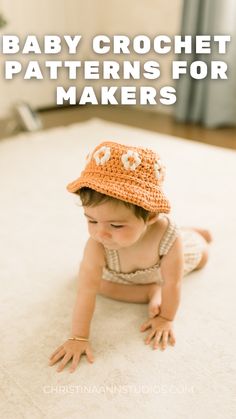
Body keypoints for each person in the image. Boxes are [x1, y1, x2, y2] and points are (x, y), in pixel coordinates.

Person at [49, 141, 212, 373]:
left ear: (151, 216)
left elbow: (173, 283)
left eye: (116, 224)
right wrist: (78, 337)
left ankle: (194, 232)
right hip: (121, 274)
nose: (100, 233)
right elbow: (86, 291)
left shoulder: (168, 237)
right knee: (88, 281)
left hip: (161, 265)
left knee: (202, 256)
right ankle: (148, 291)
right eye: (91, 220)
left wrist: (166, 318)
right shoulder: (97, 244)